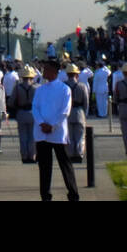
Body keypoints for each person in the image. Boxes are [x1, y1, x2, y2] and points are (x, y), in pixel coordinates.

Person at [31, 58, 80, 202]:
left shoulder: (64, 89)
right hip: (42, 132)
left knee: (65, 165)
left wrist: (52, 125)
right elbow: (35, 107)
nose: (44, 71)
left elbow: (65, 111)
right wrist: (41, 123)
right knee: (44, 167)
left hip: (57, 132)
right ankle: (45, 195)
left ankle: (73, 194)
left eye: (46, 69)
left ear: (53, 71)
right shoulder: (40, 89)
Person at [9, 66, 38, 163]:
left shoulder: (17, 88)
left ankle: (24, 156)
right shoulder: (37, 88)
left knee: (23, 136)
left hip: (21, 112)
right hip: (34, 113)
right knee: (33, 136)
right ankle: (32, 156)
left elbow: (11, 102)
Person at [65, 64, 88, 161]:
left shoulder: (63, 86)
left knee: (69, 136)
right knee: (80, 136)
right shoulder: (82, 86)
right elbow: (86, 102)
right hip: (79, 112)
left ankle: (70, 154)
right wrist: (84, 113)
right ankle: (79, 154)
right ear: (76, 75)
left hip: (67, 113)